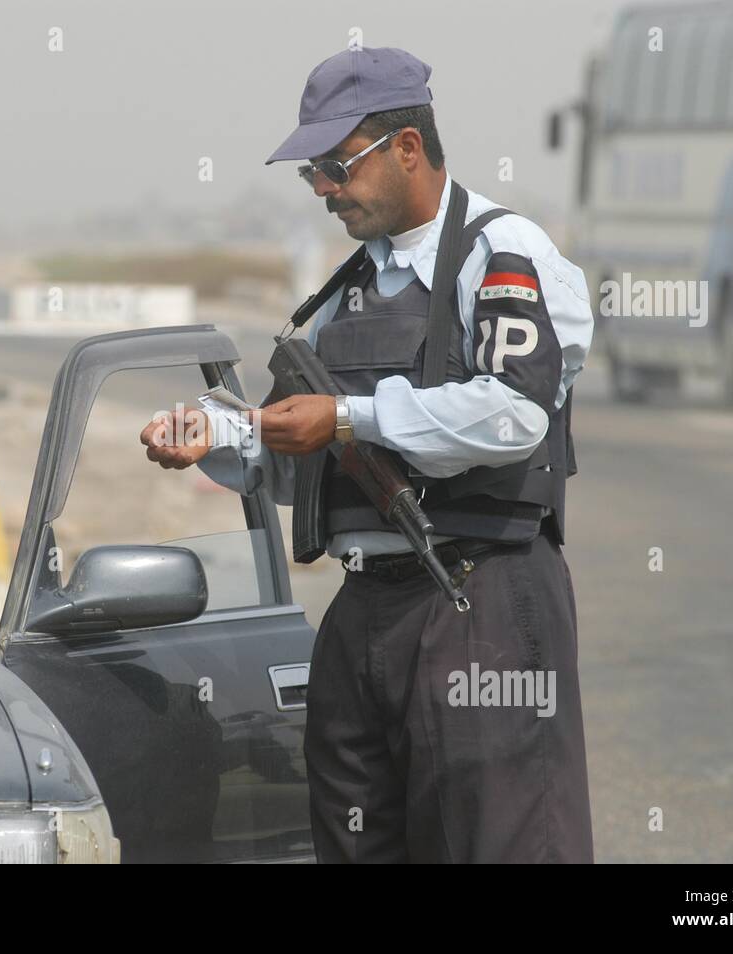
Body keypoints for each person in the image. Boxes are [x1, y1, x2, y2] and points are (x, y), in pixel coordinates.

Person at [140, 47, 594, 862]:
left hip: (478, 599)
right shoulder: (345, 292)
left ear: (406, 150)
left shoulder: (503, 252)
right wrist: (224, 440)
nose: (320, 188)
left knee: (495, 842)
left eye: (334, 165)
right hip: (364, 614)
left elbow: (514, 414)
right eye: (311, 171)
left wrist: (345, 418)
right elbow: (306, 456)